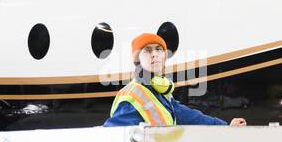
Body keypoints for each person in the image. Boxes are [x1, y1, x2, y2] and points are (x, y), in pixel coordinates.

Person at [105, 32, 247, 127]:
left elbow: (192, 117)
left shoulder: (161, 94)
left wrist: (225, 126)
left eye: (158, 49)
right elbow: (112, 136)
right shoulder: (133, 96)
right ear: (137, 61)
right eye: (147, 50)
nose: (154, 54)